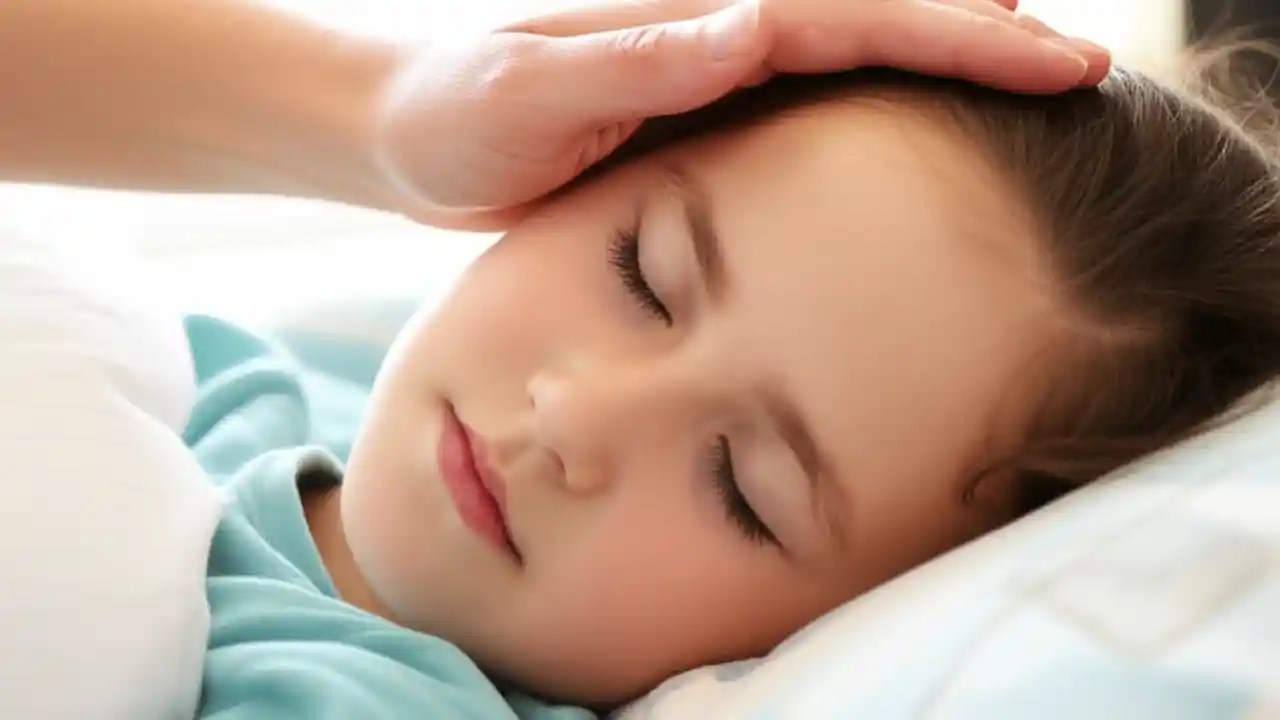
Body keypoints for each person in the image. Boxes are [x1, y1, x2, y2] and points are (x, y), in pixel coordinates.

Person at [0, 0, 1130, 717]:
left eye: (743, 489)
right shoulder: (249, 376)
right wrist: (388, 107)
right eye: (644, 271)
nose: (573, 415)